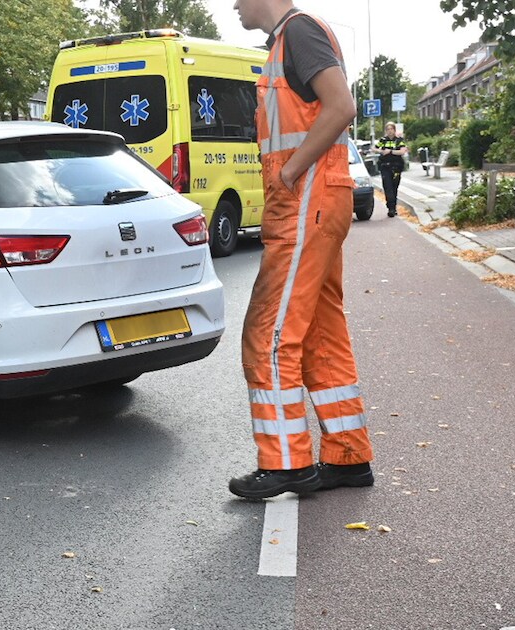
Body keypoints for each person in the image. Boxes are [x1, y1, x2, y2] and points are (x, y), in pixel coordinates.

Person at [227, 0, 374, 499]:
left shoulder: (299, 34)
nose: (232, 4)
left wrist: (290, 172)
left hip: (303, 200)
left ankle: (286, 463)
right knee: (319, 330)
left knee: (268, 333)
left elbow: (341, 106)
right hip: (318, 200)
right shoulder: (289, 39)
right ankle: (348, 455)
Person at [376, 122, 407, 217]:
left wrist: (390, 151)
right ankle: (391, 208)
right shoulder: (383, 140)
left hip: (396, 167)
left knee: (394, 188)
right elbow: (374, 148)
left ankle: (393, 206)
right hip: (385, 167)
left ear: (394, 130)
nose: (390, 131)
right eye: (388, 129)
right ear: (386, 131)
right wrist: (381, 151)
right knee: (387, 187)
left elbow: (402, 151)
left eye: (391, 129)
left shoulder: (398, 140)